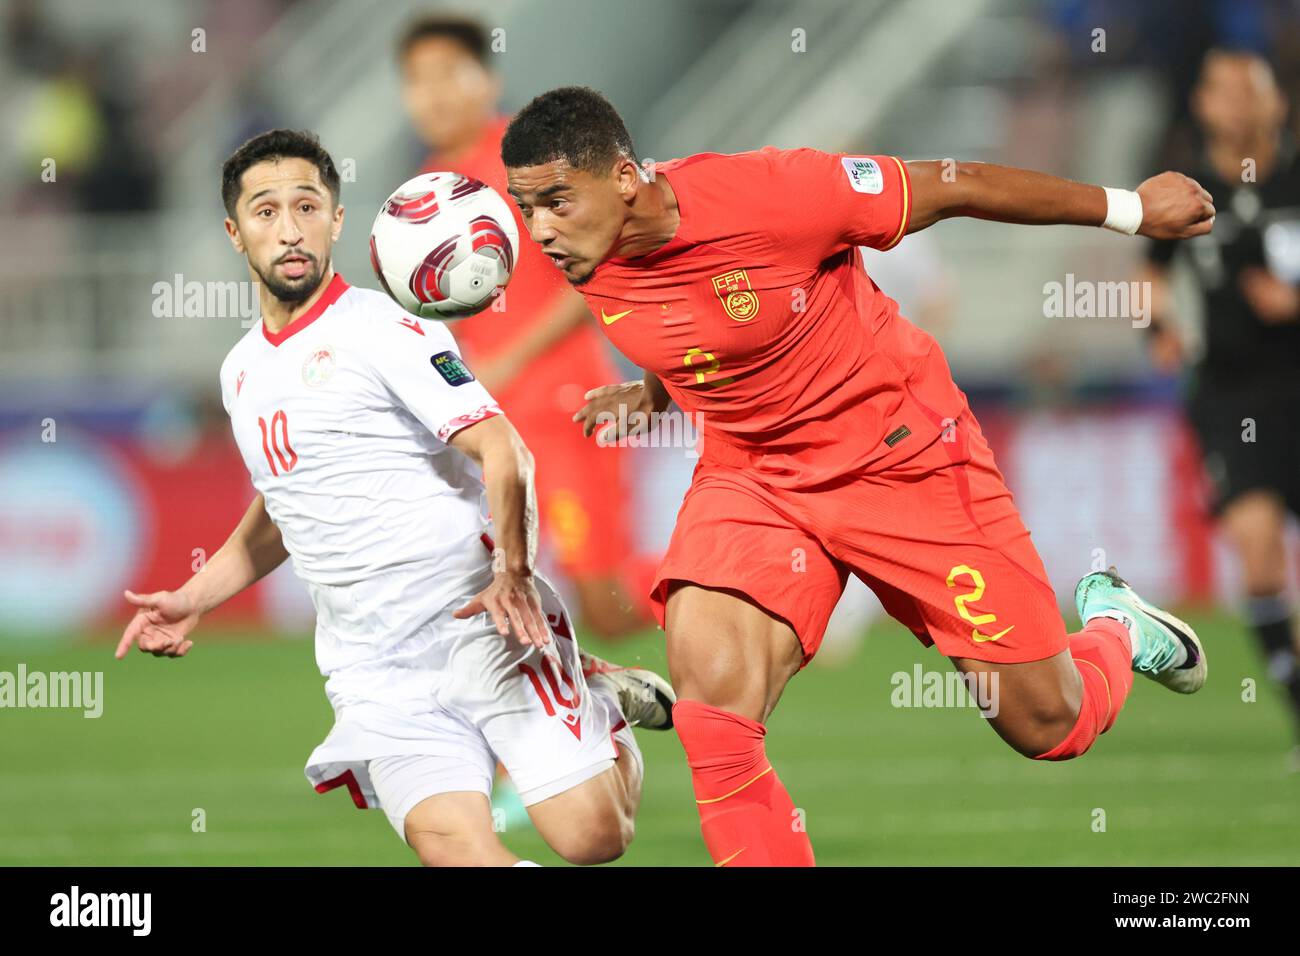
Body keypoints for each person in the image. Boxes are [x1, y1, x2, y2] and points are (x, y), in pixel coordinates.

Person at [502, 86, 1212, 866]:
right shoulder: (589, 252)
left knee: (1049, 726)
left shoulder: (773, 193)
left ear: (626, 179)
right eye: (525, 206)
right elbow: (692, 319)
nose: (540, 230)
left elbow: (954, 183)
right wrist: (655, 390)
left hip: (901, 459)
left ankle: (1115, 628)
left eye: (556, 201)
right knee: (713, 713)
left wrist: (1130, 210)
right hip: (755, 477)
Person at [116, 128, 674, 866]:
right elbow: (285, 506)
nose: (289, 229)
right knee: (463, 856)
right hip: (374, 670)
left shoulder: (388, 330)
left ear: (338, 221)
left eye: (307, 207)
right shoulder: (241, 372)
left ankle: (595, 698)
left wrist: (513, 571)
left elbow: (502, 448)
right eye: (265, 211)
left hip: (485, 628)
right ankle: (580, 691)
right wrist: (195, 596)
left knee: (594, 840)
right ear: (234, 232)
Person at [397, 15, 654, 638]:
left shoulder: (529, 164)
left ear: (488, 79)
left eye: (447, 75)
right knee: (490, 600)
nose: (431, 94)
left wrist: (510, 357)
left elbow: (595, 271)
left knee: (607, 603)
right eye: (415, 80)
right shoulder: (424, 189)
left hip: (566, 404)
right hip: (490, 420)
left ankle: (736, 576)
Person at [1141, 49, 1300, 763]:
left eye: (1249, 90)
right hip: (1232, 394)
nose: (1235, 103)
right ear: (1203, 106)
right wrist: (1158, 331)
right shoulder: (1186, 185)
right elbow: (1151, 270)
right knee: (1258, 552)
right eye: (1221, 91)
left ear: (1278, 104)